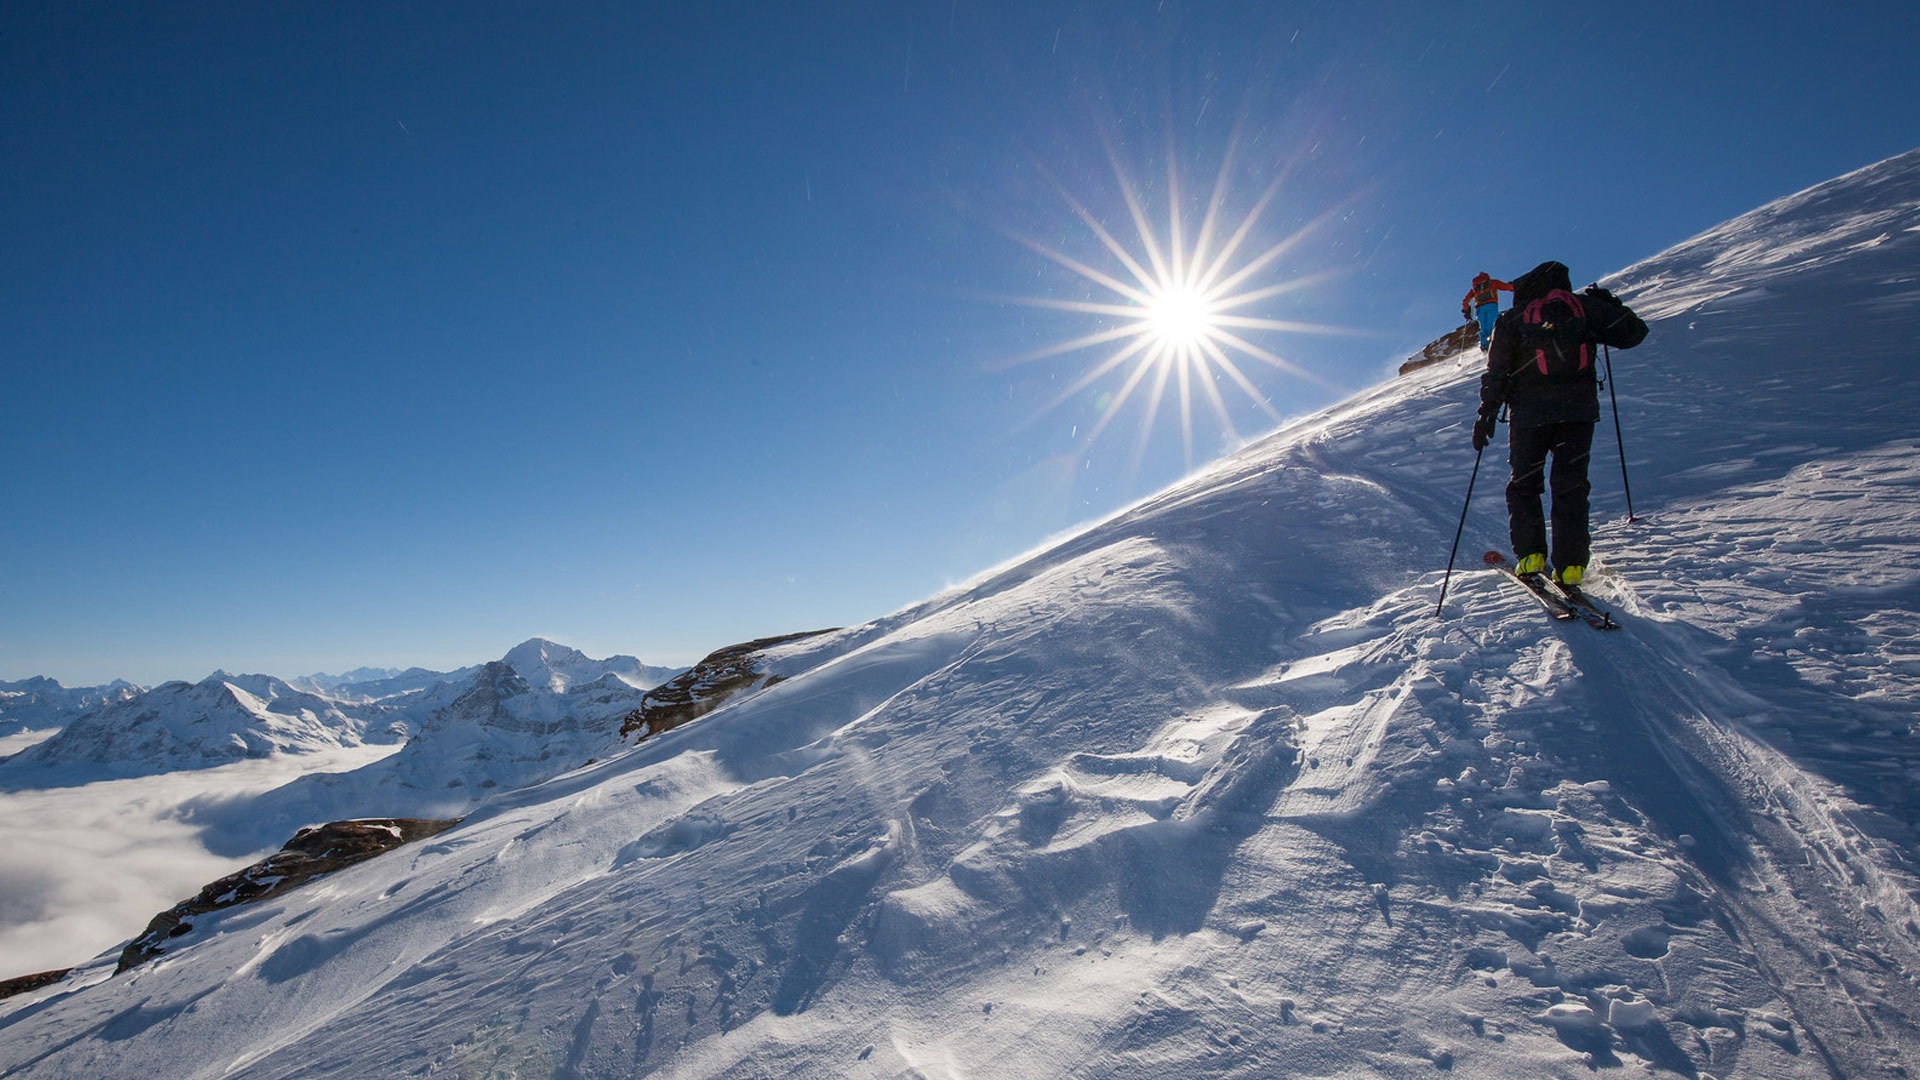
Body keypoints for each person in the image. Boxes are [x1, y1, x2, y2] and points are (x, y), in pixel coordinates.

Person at [1472, 260, 1648, 587]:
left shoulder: (1513, 318)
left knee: (1524, 485)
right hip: (1577, 415)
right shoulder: (1583, 308)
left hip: (1528, 416)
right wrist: (1610, 304)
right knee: (1571, 486)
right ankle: (1570, 567)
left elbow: (1496, 372)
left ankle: (1531, 556)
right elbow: (1634, 334)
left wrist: (1485, 416)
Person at [1461, 271, 1512, 351]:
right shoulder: (1492, 283)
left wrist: (1466, 310)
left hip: (1480, 309)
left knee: (1483, 328)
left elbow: (1465, 301)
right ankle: (1494, 343)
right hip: (1491, 305)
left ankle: (1484, 346)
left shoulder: (1475, 288)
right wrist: (1513, 286)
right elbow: (1506, 287)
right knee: (1492, 324)